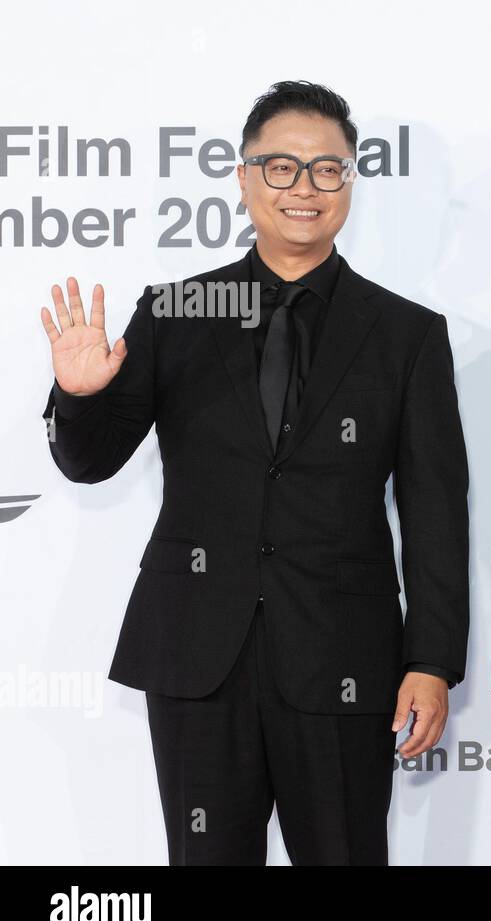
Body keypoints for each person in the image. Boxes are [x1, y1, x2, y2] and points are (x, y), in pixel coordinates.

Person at [38, 81, 469, 865]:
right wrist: (76, 395)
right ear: (243, 178)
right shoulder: (174, 313)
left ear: (349, 183)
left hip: (344, 655)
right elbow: (90, 462)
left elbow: (437, 509)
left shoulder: (406, 334)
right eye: (280, 168)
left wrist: (432, 661)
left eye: (326, 170)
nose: (303, 189)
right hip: (200, 656)